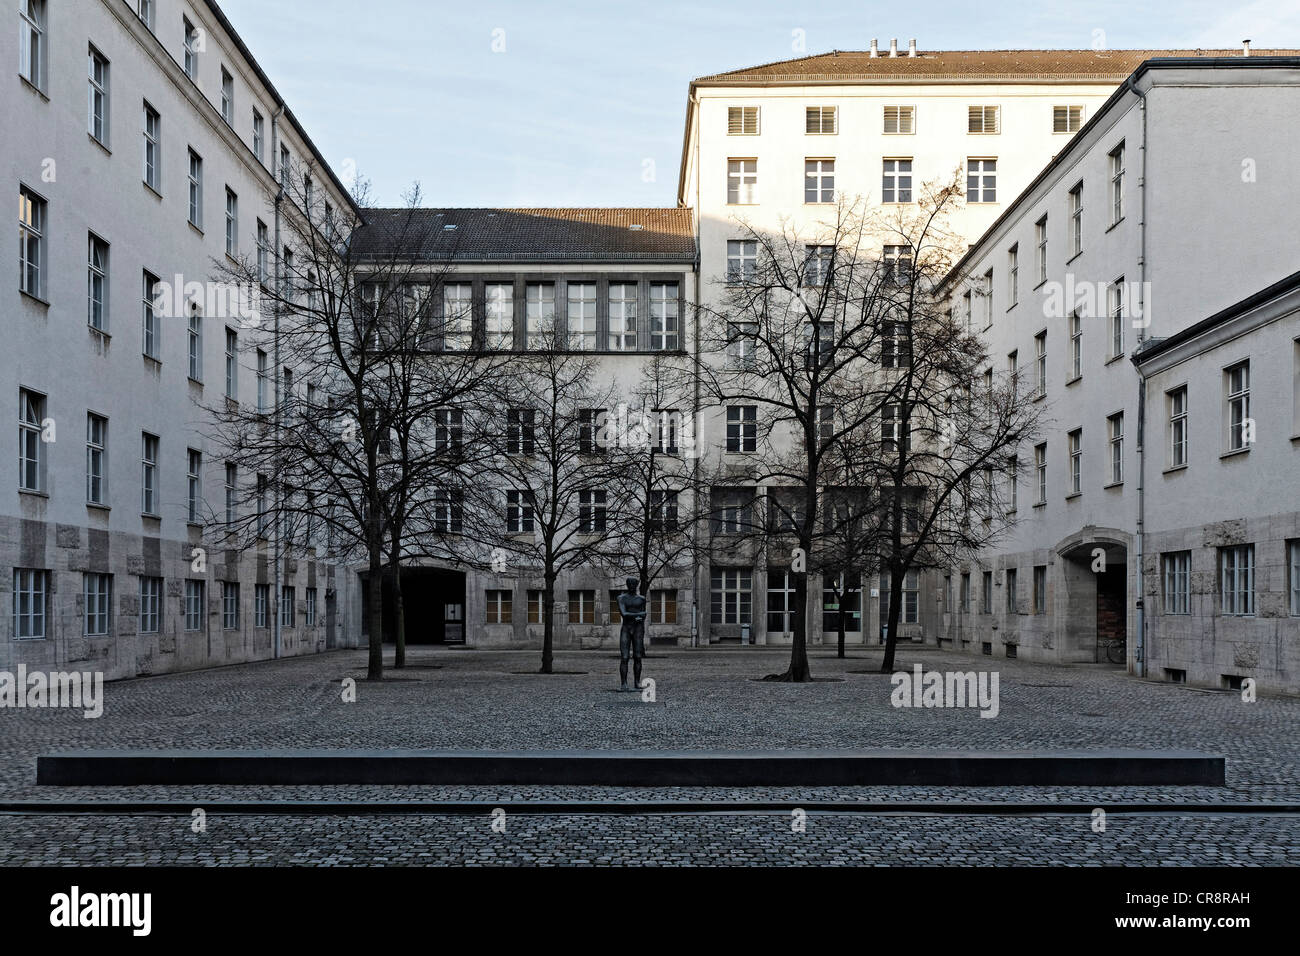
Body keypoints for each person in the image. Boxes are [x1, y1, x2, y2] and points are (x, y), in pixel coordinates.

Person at [616, 577, 647, 691]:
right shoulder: (621, 598)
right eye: (630, 584)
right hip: (626, 629)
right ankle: (623, 683)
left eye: (634, 584)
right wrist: (639, 614)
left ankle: (637, 682)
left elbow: (643, 616)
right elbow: (624, 613)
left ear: (637, 585)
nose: (632, 586)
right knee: (624, 657)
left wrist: (640, 615)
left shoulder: (641, 599)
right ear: (627, 584)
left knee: (638, 657)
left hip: (638, 629)